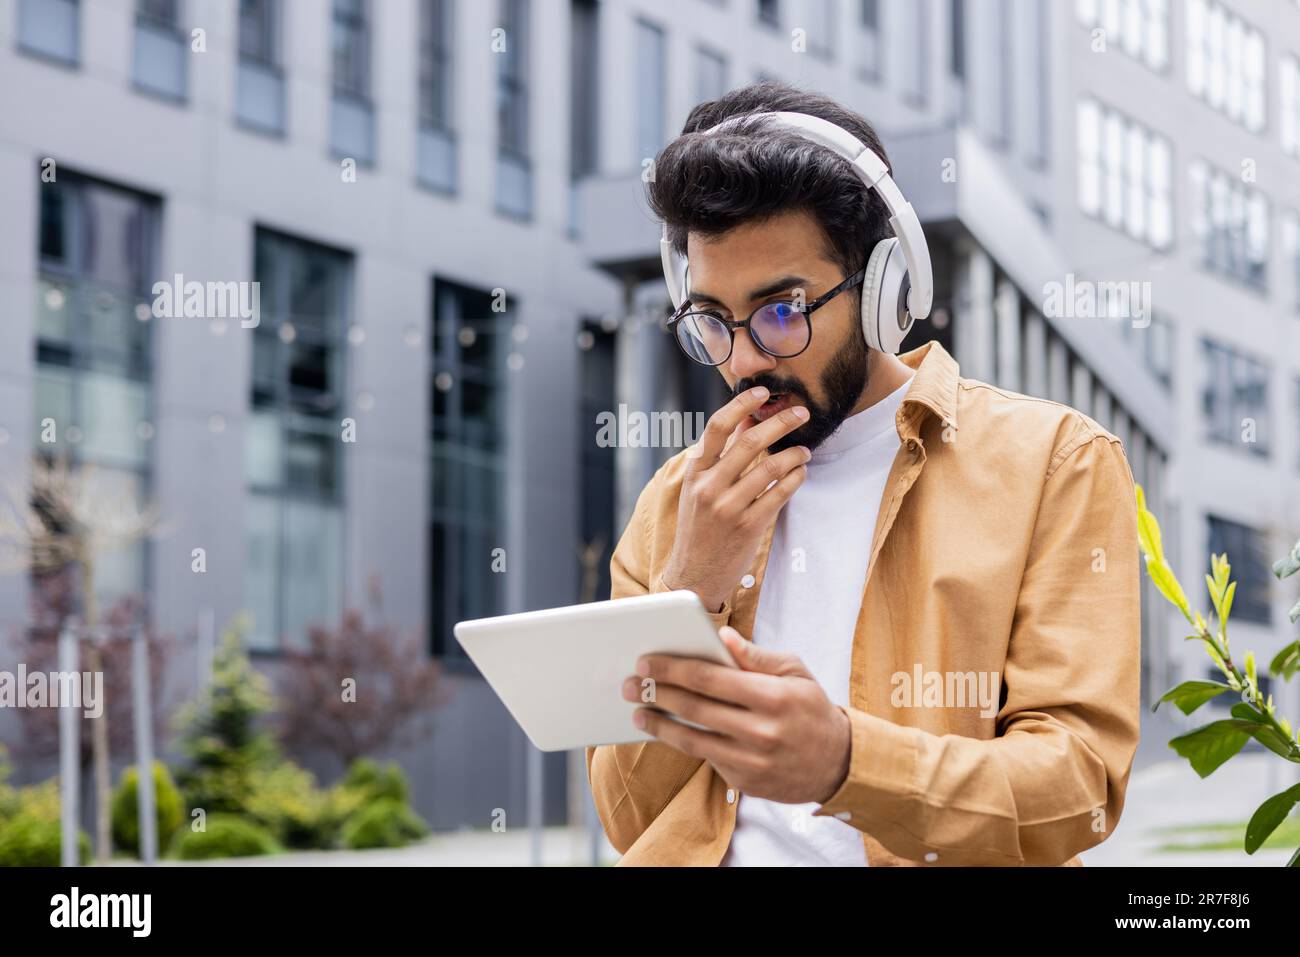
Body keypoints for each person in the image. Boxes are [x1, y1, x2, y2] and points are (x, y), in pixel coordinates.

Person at [586, 83, 1141, 867]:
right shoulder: (680, 500)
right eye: (711, 319)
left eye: (782, 311)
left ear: (883, 292)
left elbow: (1079, 791)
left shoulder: (1056, 463)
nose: (744, 360)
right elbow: (626, 817)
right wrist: (690, 591)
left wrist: (847, 762)